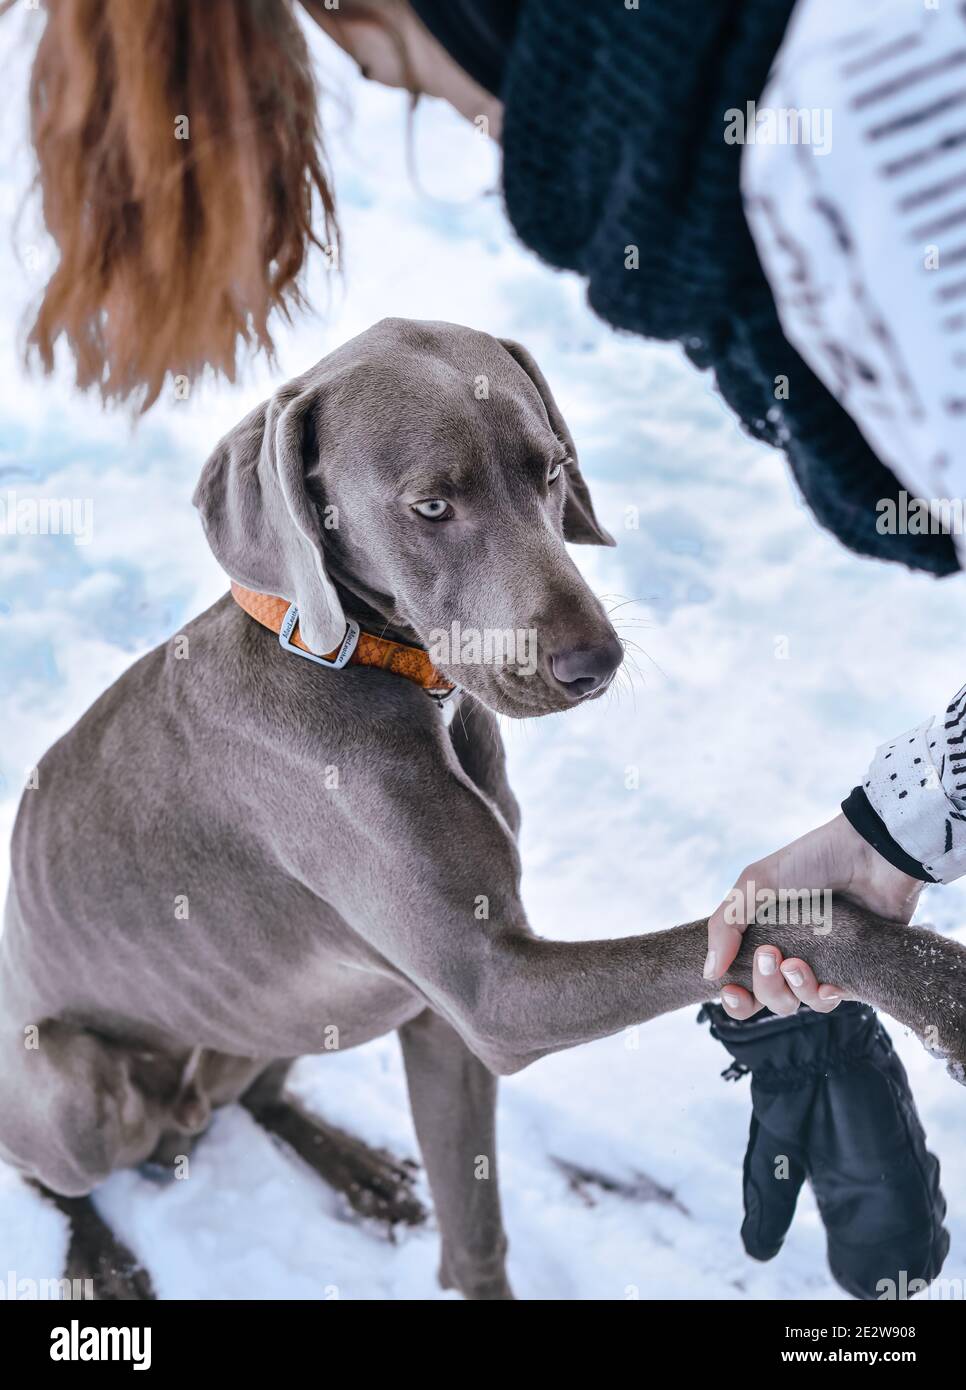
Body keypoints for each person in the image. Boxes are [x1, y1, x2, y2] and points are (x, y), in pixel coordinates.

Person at [8, 0, 960, 1296]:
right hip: (83, 1050)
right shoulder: (289, 718)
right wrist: (850, 941)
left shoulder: (418, 668)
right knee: (76, 1124)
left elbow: (453, 994)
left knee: (432, 971)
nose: (568, 625)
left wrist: (480, 1274)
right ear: (304, 524)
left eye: (538, 480)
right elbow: (500, 1008)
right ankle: (69, 1217)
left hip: (290, 994)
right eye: (435, 510)